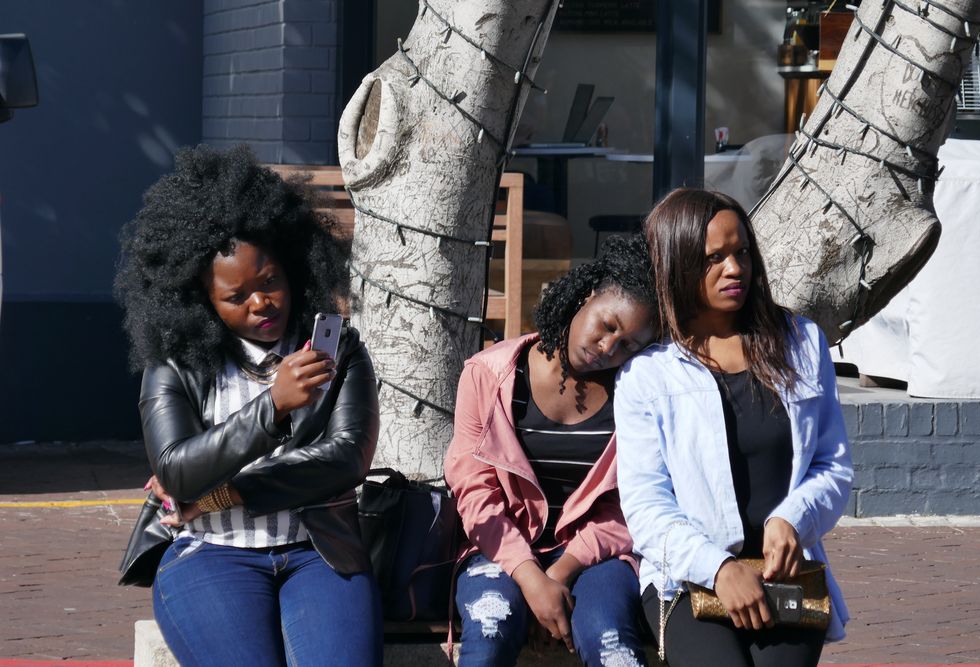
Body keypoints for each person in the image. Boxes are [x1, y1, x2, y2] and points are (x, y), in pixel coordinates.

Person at [115, 145, 382, 667]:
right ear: (202, 303)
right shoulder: (175, 365)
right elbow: (176, 470)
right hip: (210, 556)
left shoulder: (335, 349)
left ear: (295, 269)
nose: (262, 302)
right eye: (237, 296)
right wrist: (273, 407)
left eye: (271, 281)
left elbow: (346, 460)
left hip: (318, 552)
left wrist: (226, 492)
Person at [614, 188, 853, 667]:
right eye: (714, 258)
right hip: (687, 581)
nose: (734, 269)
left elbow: (832, 464)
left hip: (784, 578)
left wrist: (793, 518)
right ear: (678, 263)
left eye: (741, 252)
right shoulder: (649, 374)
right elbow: (647, 506)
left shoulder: (800, 342)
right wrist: (718, 567)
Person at [444, 235, 658, 667]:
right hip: (502, 549)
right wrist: (530, 580)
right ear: (586, 296)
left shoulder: (637, 394)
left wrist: (558, 574)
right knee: (490, 631)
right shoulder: (489, 375)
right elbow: (474, 492)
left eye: (629, 345)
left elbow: (635, 502)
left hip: (597, 555)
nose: (608, 348)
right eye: (608, 324)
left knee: (612, 644)